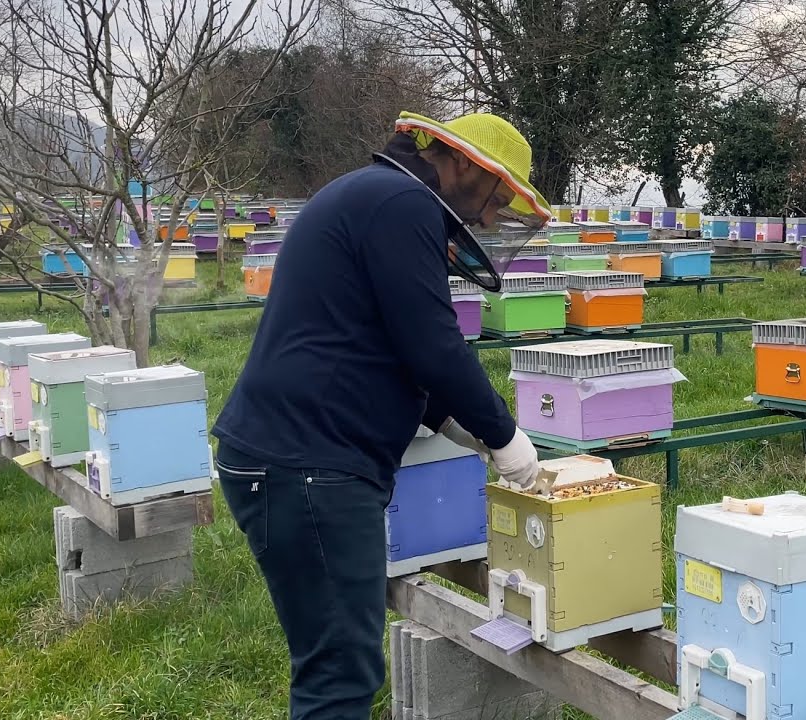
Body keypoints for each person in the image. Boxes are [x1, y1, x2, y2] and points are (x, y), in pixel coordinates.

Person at [211, 111, 551, 719]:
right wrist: (505, 436)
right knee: (341, 673)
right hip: (310, 464)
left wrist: (461, 427)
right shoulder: (401, 203)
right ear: (465, 164)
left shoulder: (376, 193)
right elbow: (432, 342)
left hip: (292, 457)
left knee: (335, 662)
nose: (493, 217)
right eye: (497, 197)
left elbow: (392, 341)